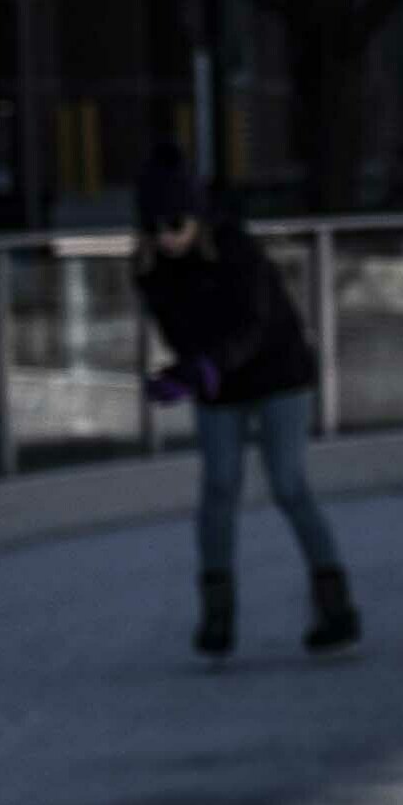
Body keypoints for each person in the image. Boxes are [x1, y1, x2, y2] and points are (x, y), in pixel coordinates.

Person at [132, 148, 358, 663]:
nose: (166, 236)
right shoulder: (152, 271)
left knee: (287, 483)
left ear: (198, 215)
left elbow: (255, 326)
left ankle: (335, 606)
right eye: (154, 225)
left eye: (175, 222)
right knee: (218, 488)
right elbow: (178, 333)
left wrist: (206, 366)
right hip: (221, 386)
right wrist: (181, 373)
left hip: (279, 374)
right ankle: (217, 614)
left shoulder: (238, 251)